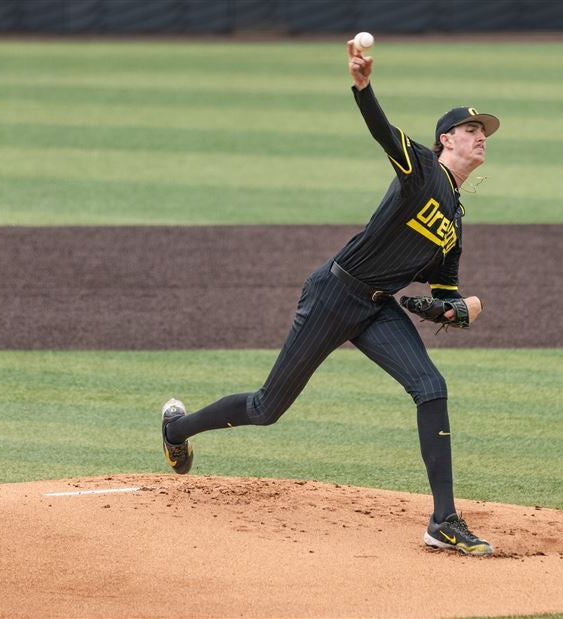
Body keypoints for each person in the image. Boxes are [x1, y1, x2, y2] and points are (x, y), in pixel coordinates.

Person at [159, 39, 499, 556]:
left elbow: (445, 291)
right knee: (267, 408)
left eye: (483, 133)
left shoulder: (454, 219)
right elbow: (383, 133)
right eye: (472, 130)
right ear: (445, 140)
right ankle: (177, 428)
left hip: (376, 308)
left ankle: (443, 521)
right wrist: (362, 85)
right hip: (334, 293)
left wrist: (450, 309)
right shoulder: (422, 171)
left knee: (431, 387)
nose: (481, 138)